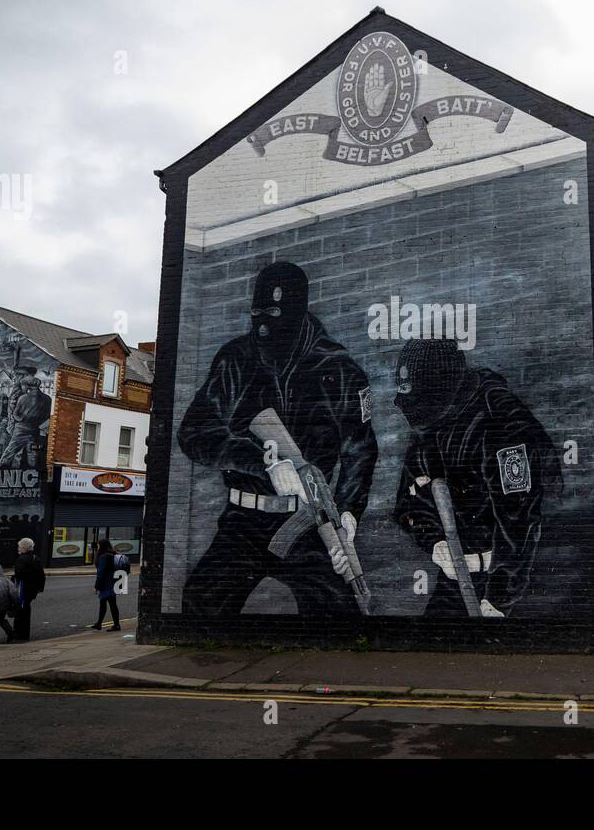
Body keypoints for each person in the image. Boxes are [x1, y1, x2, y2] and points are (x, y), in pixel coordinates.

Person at [177, 261, 378, 616]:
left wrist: (347, 515)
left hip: (308, 519)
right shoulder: (236, 360)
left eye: (273, 311)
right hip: (242, 521)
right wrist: (263, 464)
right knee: (200, 603)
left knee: (338, 610)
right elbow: (194, 432)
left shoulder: (339, 370)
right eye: (257, 312)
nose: (263, 322)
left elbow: (360, 450)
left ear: (298, 309)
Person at [391, 339, 559, 619]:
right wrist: (436, 544)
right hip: (462, 570)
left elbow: (521, 522)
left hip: (516, 575)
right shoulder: (431, 426)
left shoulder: (500, 425)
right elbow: (408, 503)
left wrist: (498, 600)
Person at [11, 536, 46, 641]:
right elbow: (42, 575)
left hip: (23, 588)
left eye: (20, 546)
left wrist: (13, 578)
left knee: (20, 611)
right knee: (26, 609)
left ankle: (19, 633)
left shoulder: (21, 559)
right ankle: (25, 633)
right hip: (32, 589)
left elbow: (19, 574)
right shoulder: (36, 558)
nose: (18, 548)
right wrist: (39, 588)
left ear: (25, 548)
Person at [91, 538, 120, 631]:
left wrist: (96, 586)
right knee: (108, 603)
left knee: (109, 603)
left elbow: (101, 572)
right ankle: (99, 623)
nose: (97, 547)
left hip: (106, 583)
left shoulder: (103, 556)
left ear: (102, 546)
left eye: (99, 545)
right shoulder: (112, 554)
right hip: (113, 582)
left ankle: (116, 625)